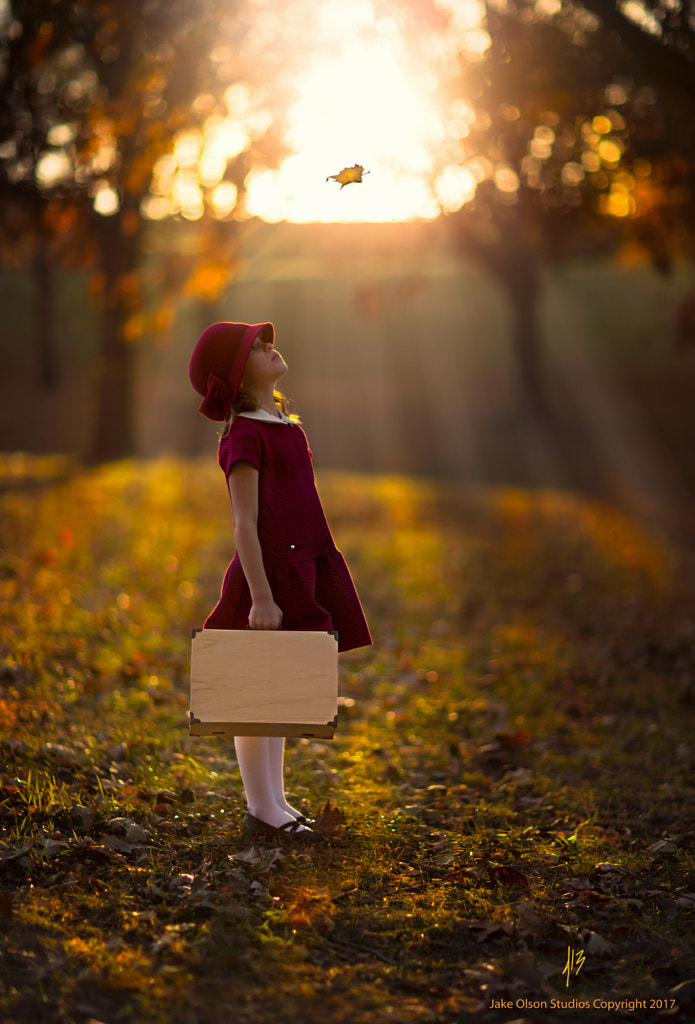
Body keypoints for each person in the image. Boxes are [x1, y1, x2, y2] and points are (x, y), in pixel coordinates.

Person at [189, 321, 371, 842]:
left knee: (281, 690)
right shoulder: (245, 432)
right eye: (256, 346)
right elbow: (244, 522)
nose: (271, 346)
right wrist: (262, 596)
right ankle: (259, 807)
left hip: (300, 567)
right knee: (254, 694)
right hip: (264, 578)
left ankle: (277, 800)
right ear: (236, 371)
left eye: (268, 341)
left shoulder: (287, 425)